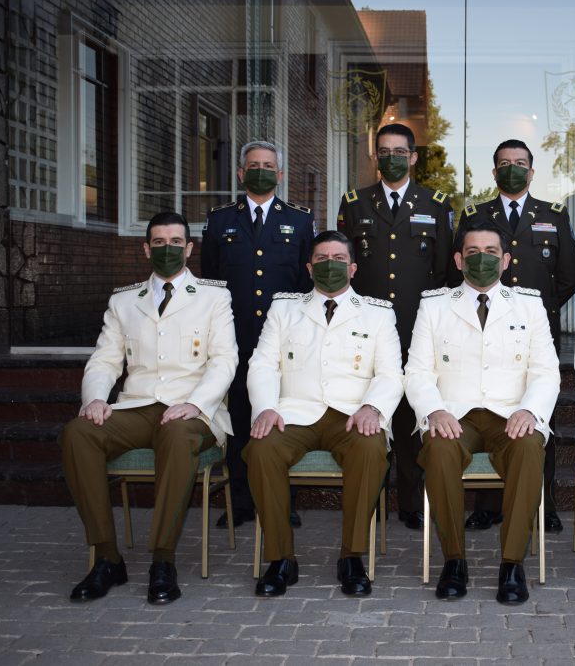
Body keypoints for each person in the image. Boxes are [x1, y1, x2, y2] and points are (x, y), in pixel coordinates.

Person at [60, 212, 237, 604]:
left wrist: (194, 403)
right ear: (146, 248)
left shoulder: (214, 297)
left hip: (194, 410)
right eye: (159, 242)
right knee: (79, 432)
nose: (168, 249)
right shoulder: (124, 301)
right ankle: (107, 558)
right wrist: (94, 401)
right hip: (137, 406)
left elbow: (224, 360)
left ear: (189, 248)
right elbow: (105, 361)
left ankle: (163, 560)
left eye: (176, 242)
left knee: (175, 434)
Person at [405, 223, 561, 605]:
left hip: (511, 413)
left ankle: (512, 564)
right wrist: (434, 410)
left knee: (528, 450)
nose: (482, 258)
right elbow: (417, 371)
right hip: (453, 413)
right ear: (458, 260)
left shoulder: (530, 304)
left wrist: (531, 410)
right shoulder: (434, 305)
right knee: (439, 452)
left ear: (505, 261)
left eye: (491, 251)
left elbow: (546, 371)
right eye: (472, 251)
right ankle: (454, 560)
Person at [244, 231, 403, 597]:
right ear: (309, 266)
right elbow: (263, 364)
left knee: (370, 448)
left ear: (353, 267)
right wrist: (266, 407)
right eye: (321, 258)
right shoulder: (284, 309)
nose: (330, 264)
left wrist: (373, 407)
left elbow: (391, 373)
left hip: (352, 414)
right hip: (293, 414)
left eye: (338, 258)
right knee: (260, 449)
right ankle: (281, 558)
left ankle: (352, 556)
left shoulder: (378, 314)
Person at [449, 139, 575, 534]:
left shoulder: (552, 215)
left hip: (534, 333)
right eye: (504, 163)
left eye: (520, 163)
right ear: (494, 172)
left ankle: (544, 502)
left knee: (540, 417)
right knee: (487, 406)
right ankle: (488, 507)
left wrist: (531, 311)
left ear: (532, 171)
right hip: (482, 329)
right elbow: (460, 269)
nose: (512, 168)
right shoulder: (475, 214)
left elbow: (569, 274)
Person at [336, 123, 453, 532]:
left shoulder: (435, 204)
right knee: (368, 410)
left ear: (414, 156)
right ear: (375, 158)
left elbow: (442, 273)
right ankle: (370, 499)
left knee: (408, 418)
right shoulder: (355, 202)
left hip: (416, 326)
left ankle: (410, 503)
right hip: (363, 330)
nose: (392, 158)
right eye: (384, 151)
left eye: (400, 151)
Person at [202, 140, 315, 530]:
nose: (261, 170)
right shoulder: (219, 222)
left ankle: (286, 502)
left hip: (284, 340)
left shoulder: (300, 221)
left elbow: (305, 284)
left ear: (280, 175)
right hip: (235, 336)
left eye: (269, 165)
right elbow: (212, 282)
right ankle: (241, 502)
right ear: (240, 173)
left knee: (283, 414)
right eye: (254, 165)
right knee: (239, 416)